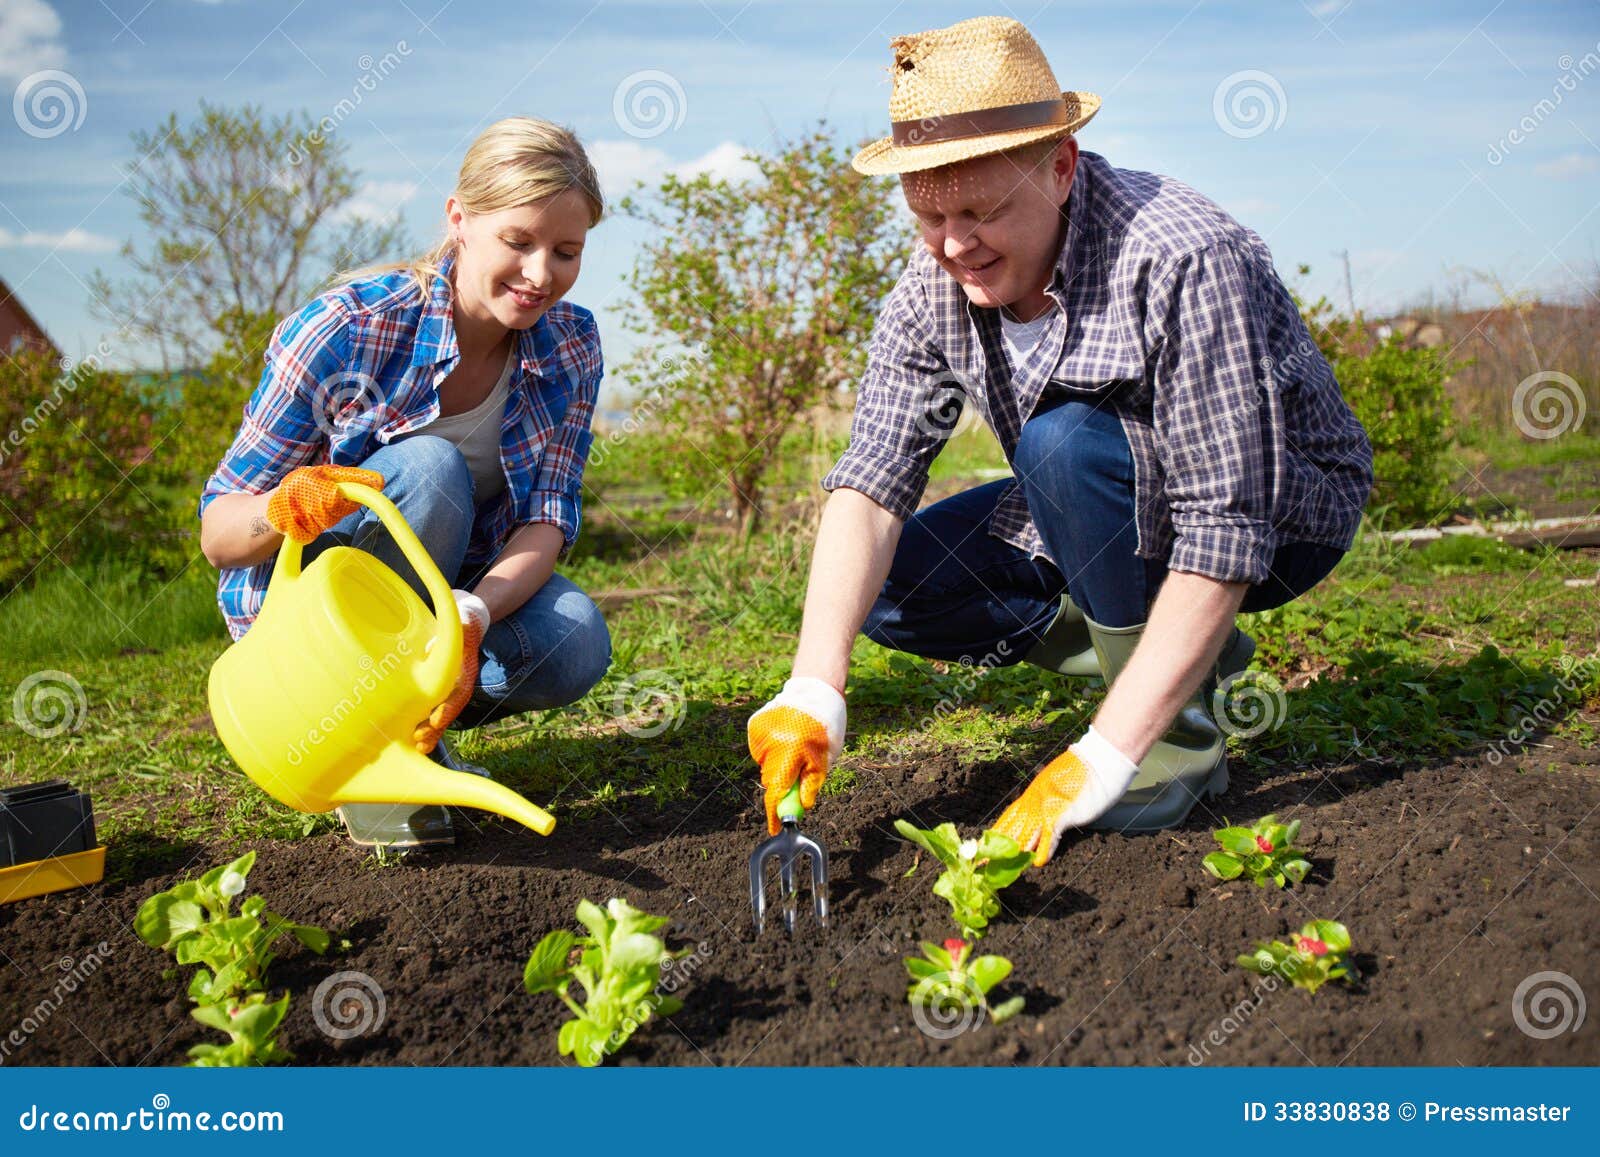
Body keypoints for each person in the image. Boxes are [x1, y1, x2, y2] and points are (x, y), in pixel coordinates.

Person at [746, 16, 1373, 866]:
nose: (955, 245)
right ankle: (1182, 658)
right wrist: (815, 688)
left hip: (1282, 512)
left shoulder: (1182, 257)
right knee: (891, 592)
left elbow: (1228, 524)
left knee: (1060, 444)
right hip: (1100, 498)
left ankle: (1171, 743)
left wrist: (1103, 755)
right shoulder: (931, 291)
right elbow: (873, 483)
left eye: (981, 210)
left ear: (1062, 167)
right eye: (928, 216)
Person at [198, 117, 612, 850]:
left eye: (566, 251)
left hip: (436, 603)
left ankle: (417, 728)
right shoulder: (348, 328)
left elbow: (545, 520)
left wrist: (475, 614)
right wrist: (284, 505)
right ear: (460, 219)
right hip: (309, 637)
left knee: (576, 638)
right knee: (429, 470)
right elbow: (219, 534)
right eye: (518, 241)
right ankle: (354, 737)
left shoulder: (571, 344)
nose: (541, 274)